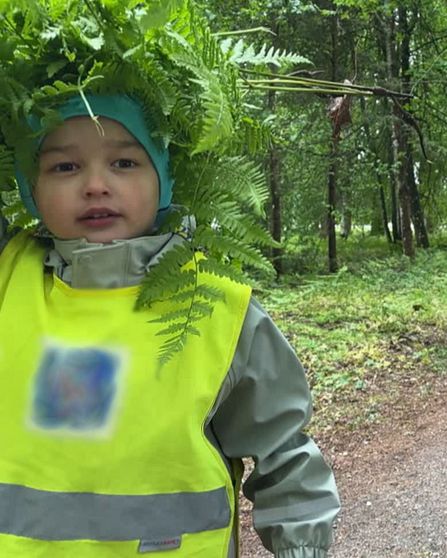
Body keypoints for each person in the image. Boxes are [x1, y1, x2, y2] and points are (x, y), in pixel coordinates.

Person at [0, 93, 339, 557]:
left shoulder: (217, 307)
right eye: (65, 167)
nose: (95, 185)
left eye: (124, 162)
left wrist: (303, 547)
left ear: (165, 176)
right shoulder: (7, 276)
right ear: (29, 186)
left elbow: (284, 455)